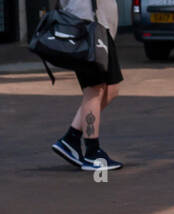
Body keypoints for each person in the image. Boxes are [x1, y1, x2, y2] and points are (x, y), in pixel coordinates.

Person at [50, 0, 123, 171]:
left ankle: (71, 139)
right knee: (95, 89)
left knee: (111, 91)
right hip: (88, 29)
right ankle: (92, 152)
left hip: (102, 30)